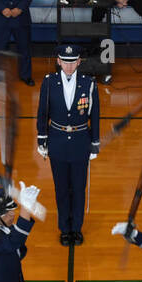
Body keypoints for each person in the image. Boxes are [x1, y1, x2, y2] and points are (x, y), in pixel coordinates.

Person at [36, 44, 100, 246]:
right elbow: (42, 112)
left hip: (81, 142)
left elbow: (95, 115)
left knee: (79, 188)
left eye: (73, 62)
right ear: (58, 61)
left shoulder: (89, 83)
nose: (69, 66)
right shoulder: (49, 82)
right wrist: (42, 138)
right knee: (62, 188)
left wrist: (95, 142)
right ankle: (65, 228)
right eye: (65, 61)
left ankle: (76, 228)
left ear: (79, 62)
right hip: (58, 141)